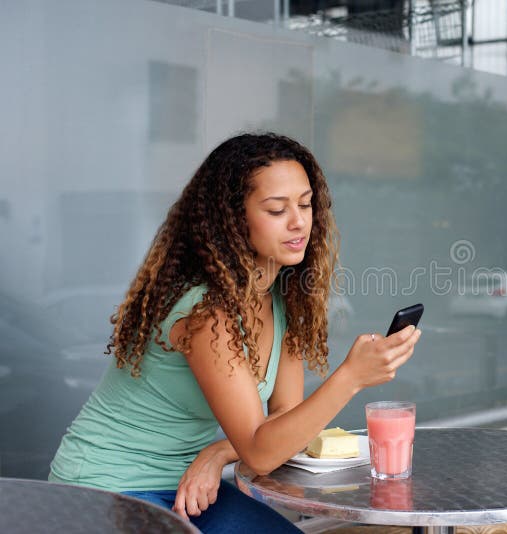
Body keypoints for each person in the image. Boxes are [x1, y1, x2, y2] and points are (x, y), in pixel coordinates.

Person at [48, 133, 422, 533]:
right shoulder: (206, 312)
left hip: (186, 488)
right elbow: (262, 453)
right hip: (104, 488)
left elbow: (285, 426)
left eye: (306, 204)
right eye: (277, 209)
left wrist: (218, 453)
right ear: (232, 218)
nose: (299, 222)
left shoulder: (285, 298)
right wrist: (350, 378)